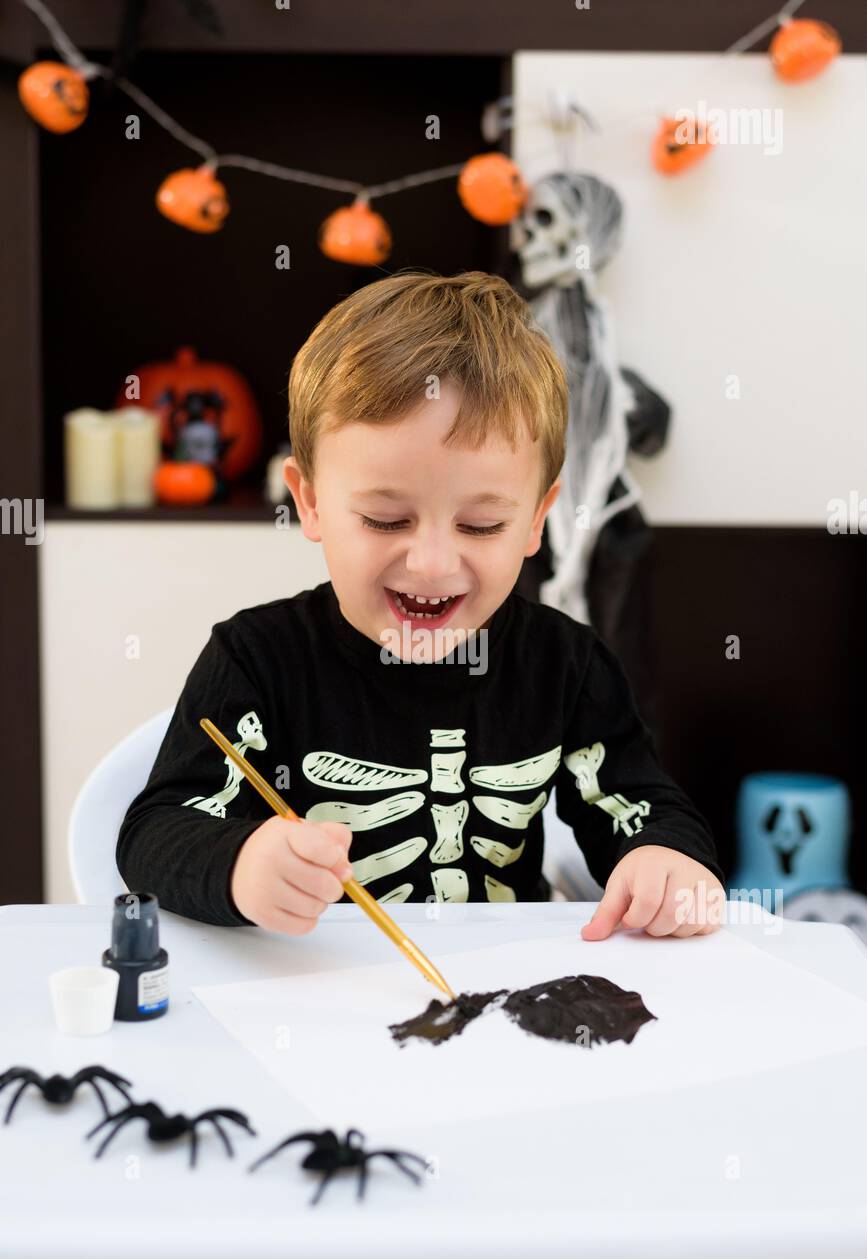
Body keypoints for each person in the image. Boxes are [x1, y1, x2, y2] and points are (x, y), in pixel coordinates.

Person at [116, 270, 725, 940]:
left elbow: (639, 803)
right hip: (308, 991)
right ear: (309, 501)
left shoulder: (566, 664)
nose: (431, 563)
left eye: (480, 526)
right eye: (384, 519)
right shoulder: (257, 659)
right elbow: (155, 833)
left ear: (535, 521)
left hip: (511, 994)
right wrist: (236, 864)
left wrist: (664, 857)